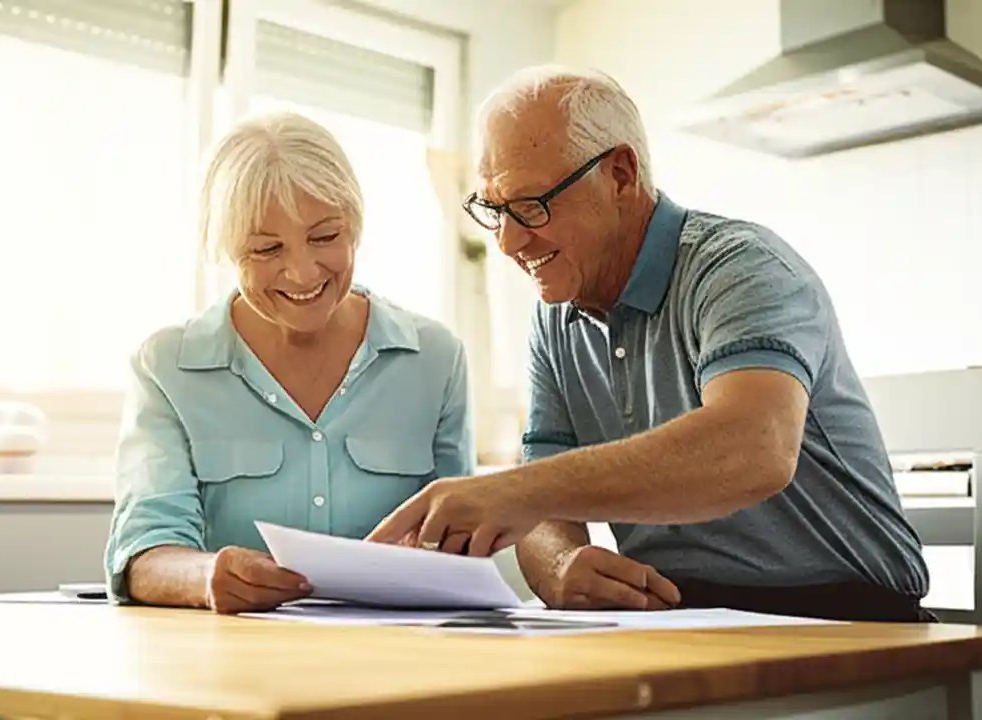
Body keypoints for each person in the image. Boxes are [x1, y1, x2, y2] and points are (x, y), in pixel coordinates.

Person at [368, 66, 930, 622]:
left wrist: (519, 491)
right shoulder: (556, 317)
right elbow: (545, 503)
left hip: (845, 617)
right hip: (679, 616)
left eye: (533, 204)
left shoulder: (739, 267)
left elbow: (754, 448)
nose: (510, 241)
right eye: (495, 210)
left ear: (618, 174)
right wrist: (561, 565)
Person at [105, 112, 473, 613]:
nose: (301, 272)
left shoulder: (435, 360)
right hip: (232, 661)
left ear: (355, 227)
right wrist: (204, 577)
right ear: (228, 250)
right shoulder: (166, 366)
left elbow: (462, 543)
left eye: (324, 237)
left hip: (397, 658)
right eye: (266, 248)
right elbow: (144, 550)